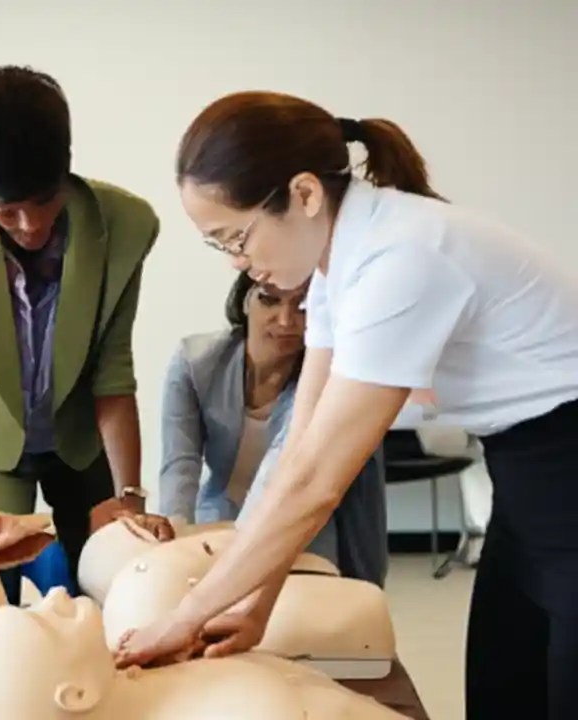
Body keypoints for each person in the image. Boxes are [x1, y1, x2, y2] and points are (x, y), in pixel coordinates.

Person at [112, 91, 578, 720]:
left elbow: (317, 483)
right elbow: (300, 446)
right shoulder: (337, 266)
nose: (242, 265)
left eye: (237, 238)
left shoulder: (401, 258)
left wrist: (186, 615)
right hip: (527, 469)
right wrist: (255, 602)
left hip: (563, 455)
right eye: (220, 247)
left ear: (304, 195)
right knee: (503, 682)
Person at [0, 65, 173, 602]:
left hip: (81, 442)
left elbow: (113, 369)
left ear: (68, 170)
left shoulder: (127, 225)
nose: (29, 225)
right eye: (6, 211)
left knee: (112, 579)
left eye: (45, 202)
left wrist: (130, 496)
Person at [160, 272, 387, 585]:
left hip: (300, 525)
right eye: (269, 299)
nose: (285, 321)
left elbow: (278, 472)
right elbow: (179, 463)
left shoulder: (326, 378)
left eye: (302, 305)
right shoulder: (194, 362)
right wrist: (172, 535)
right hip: (217, 515)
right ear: (244, 301)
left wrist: (237, 546)